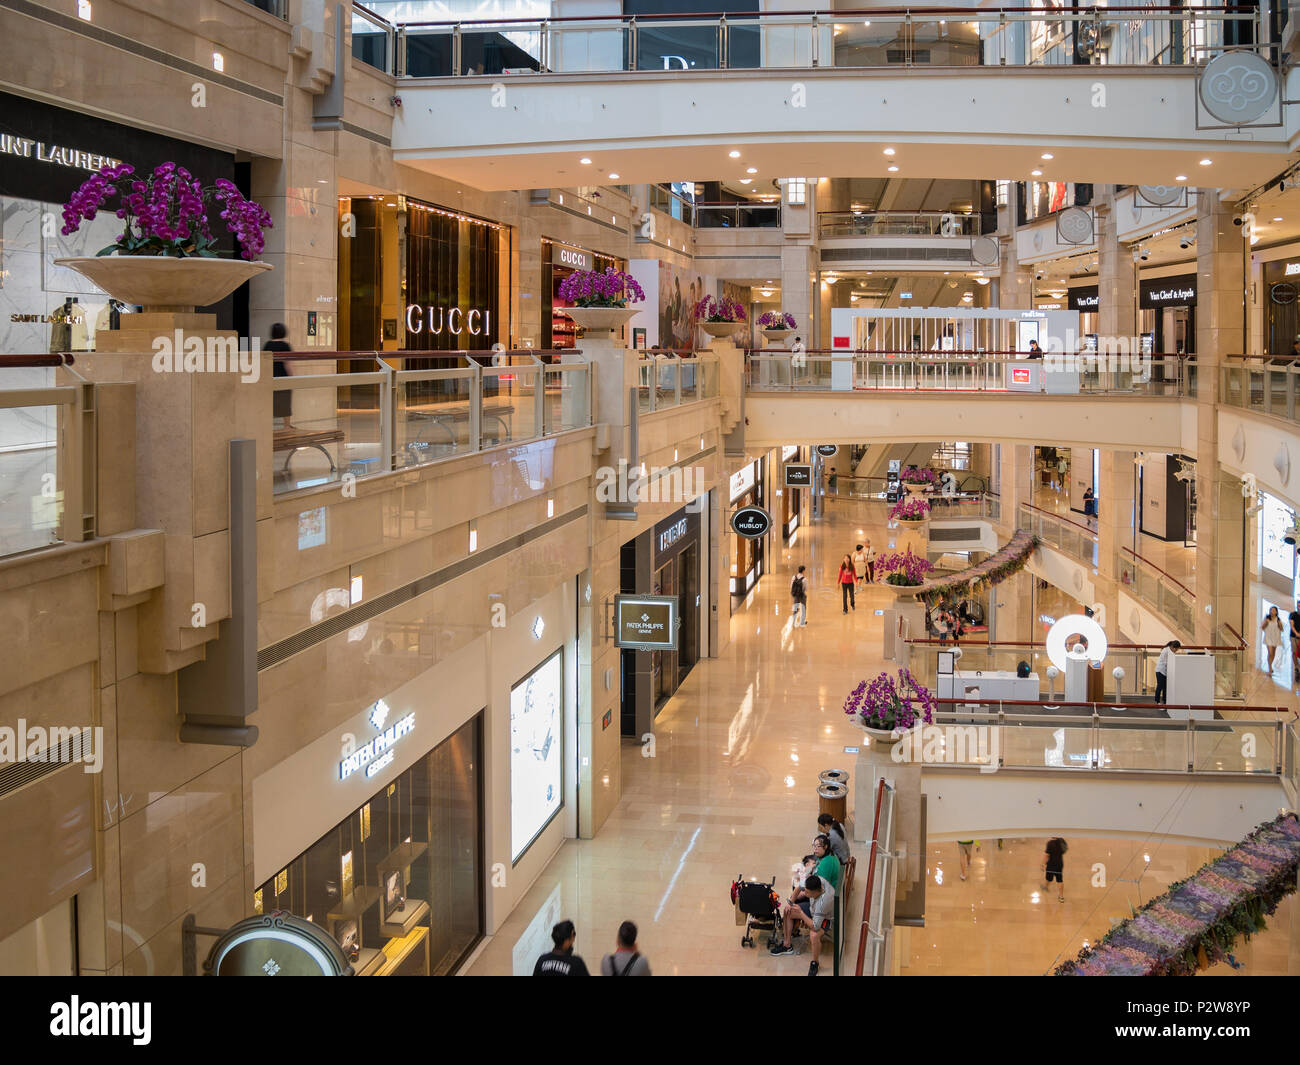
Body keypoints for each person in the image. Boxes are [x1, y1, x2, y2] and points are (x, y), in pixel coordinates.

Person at [770, 874, 834, 975]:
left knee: (814, 935)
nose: (804, 893)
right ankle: (787, 946)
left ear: (815, 892)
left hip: (826, 917)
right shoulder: (816, 881)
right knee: (788, 911)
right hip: (813, 909)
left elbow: (815, 926)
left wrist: (801, 913)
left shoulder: (824, 902)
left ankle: (815, 963)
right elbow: (799, 888)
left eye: (807, 892)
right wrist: (790, 903)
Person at [266, 322, 293, 426]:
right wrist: (292, 377)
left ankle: (267, 425)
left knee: (270, 402)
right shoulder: (285, 346)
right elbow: (288, 364)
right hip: (283, 377)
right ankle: (287, 426)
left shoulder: (267, 345)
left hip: (270, 377)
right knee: (285, 402)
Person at [1154, 639, 1181, 703]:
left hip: (1165, 671)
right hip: (1160, 671)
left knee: (1165, 688)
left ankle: (1165, 701)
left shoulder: (1170, 651)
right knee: (1160, 686)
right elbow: (1166, 663)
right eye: (1176, 649)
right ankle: (1157, 701)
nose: (1176, 651)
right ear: (1173, 647)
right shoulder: (1165, 651)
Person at [1042, 838, 1068, 902]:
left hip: (1051, 864)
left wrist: (1043, 864)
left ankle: (1046, 887)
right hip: (1060, 863)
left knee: (1049, 878)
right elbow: (1066, 848)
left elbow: (1046, 855)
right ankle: (1061, 896)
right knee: (1059, 879)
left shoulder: (1050, 843)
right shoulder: (1061, 840)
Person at [1262, 606, 1285, 673]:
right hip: (1268, 638)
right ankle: (1269, 668)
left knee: (1273, 654)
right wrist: (1266, 622)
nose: (1272, 611)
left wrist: (1280, 625)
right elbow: (1262, 628)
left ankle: (1270, 665)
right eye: (1271, 610)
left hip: (1276, 638)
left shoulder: (1278, 620)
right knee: (1270, 653)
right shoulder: (1267, 618)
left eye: (1273, 610)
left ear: (1276, 612)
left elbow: (1282, 630)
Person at [1290, 601, 1300, 681]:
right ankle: (1296, 667)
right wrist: (1296, 633)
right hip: (1294, 637)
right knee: (1294, 652)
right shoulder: (1293, 615)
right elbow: (1292, 626)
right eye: (1299, 606)